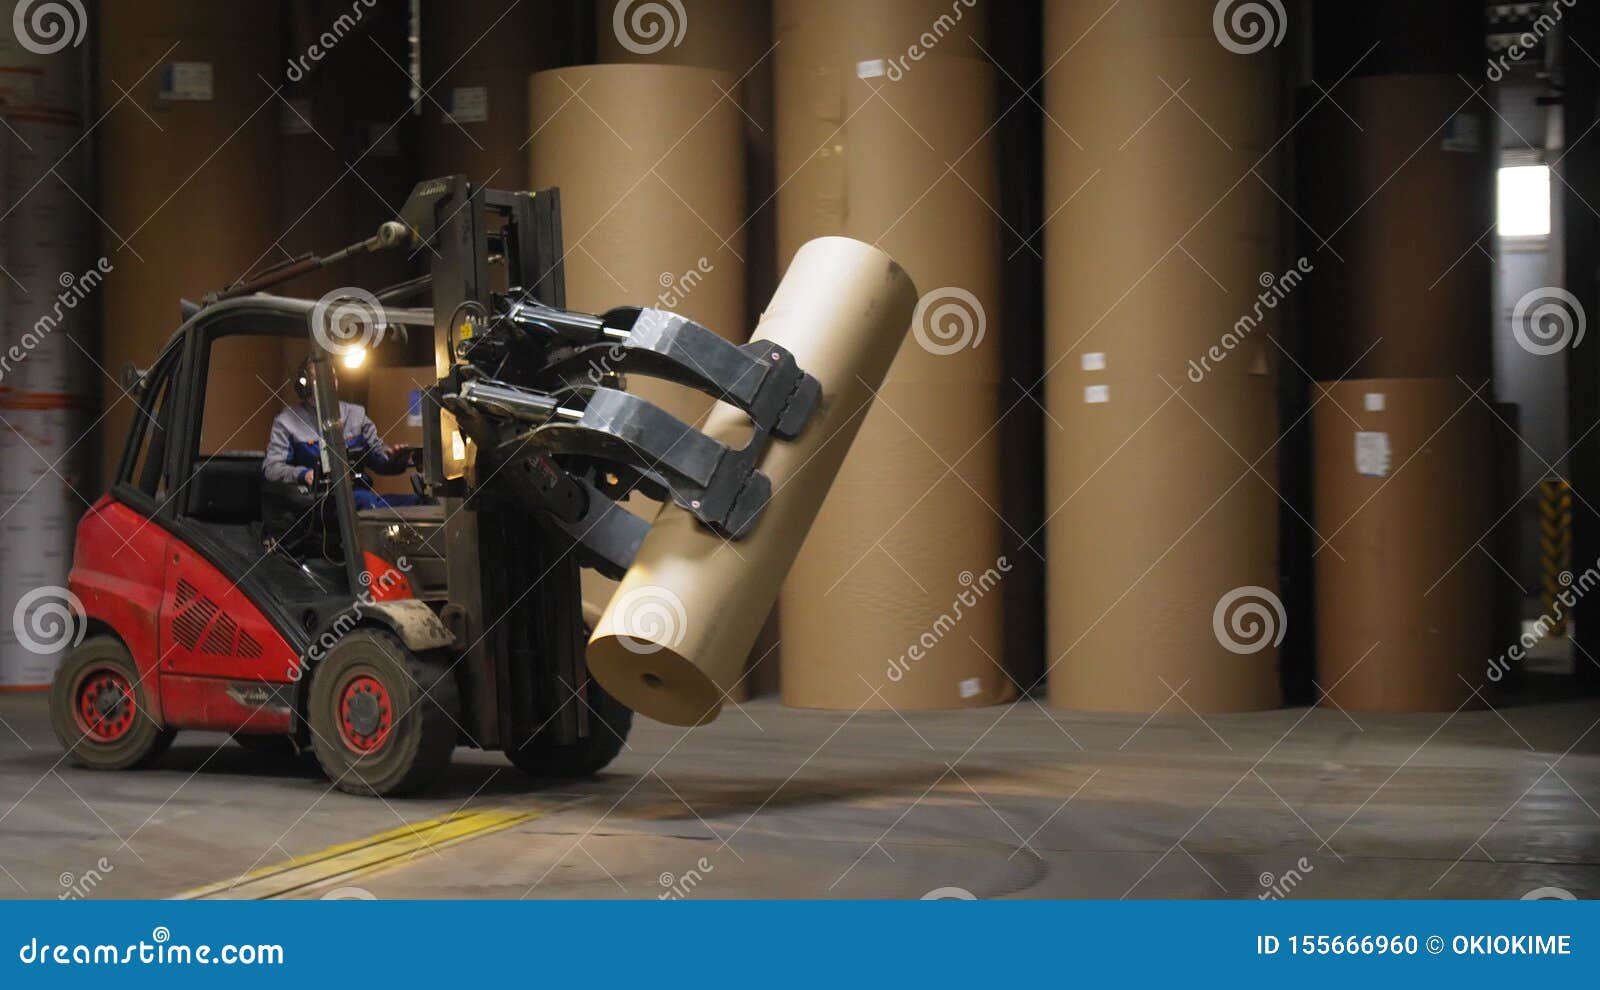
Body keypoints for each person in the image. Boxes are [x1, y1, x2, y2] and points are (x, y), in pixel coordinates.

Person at [263, 357, 418, 509]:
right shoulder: (287, 422)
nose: (330, 384)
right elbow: (272, 469)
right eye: (321, 379)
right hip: (317, 501)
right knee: (367, 503)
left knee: (422, 503)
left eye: (333, 378)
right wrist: (304, 474)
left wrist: (395, 459)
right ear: (305, 386)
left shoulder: (356, 415)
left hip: (356, 493)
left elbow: (379, 461)